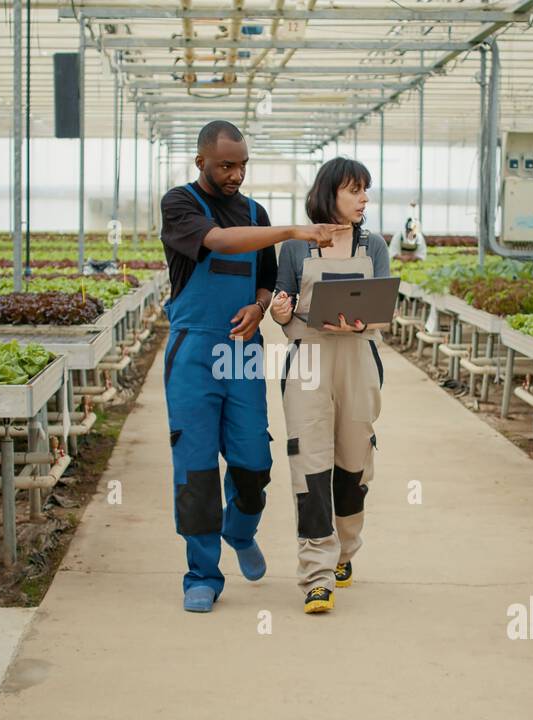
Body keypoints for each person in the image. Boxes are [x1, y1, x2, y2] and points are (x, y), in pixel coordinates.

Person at [159, 120, 344, 613]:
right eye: (226, 165)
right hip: (194, 352)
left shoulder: (255, 213)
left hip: (240, 353)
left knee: (253, 463)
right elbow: (217, 242)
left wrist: (260, 307)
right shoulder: (179, 205)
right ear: (201, 162)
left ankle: (239, 530)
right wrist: (290, 230)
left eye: (242, 165)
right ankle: (201, 573)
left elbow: (264, 279)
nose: (236, 174)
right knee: (195, 468)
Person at [268, 157, 391, 614]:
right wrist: (281, 312)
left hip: (358, 358)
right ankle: (316, 576)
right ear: (329, 193)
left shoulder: (374, 245)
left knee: (354, 464)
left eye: (366, 190)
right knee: (310, 464)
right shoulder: (298, 247)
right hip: (309, 359)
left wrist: (362, 320)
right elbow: (283, 303)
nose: (363, 199)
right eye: (354, 190)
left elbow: (383, 305)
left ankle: (345, 552)